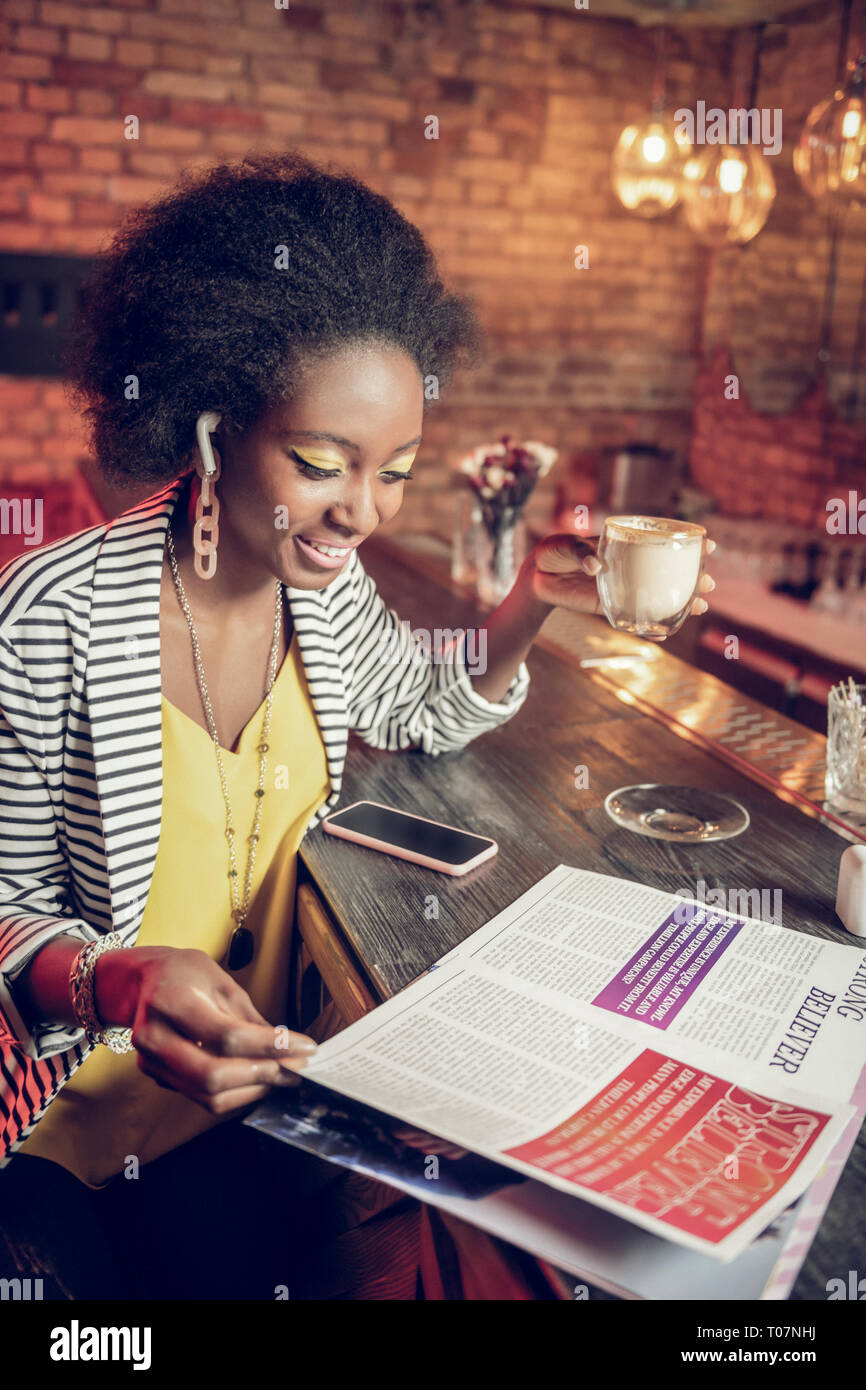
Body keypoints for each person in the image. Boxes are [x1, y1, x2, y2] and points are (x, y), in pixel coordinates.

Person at [0, 150, 714, 1299]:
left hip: (261, 1108)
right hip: (64, 1142)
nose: (362, 513)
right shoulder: (52, 620)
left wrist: (531, 593)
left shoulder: (323, 596)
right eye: (323, 463)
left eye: (395, 472)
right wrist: (114, 981)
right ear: (211, 429)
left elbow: (424, 704)